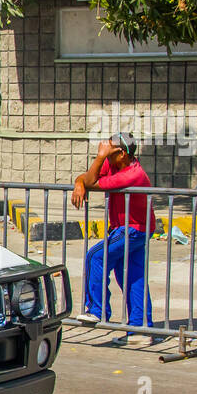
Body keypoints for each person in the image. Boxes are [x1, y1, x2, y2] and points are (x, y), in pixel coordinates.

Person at [72, 133, 154, 330]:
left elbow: (92, 183)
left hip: (133, 229)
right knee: (132, 276)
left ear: (123, 154)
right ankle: (140, 328)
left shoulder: (132, 174)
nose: (106, 156)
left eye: (110, 153)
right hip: (129, 227)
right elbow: (88, 177)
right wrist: (78, 182)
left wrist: (100, 158)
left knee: (95, 257)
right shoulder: (115, 164)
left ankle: (96, 310)